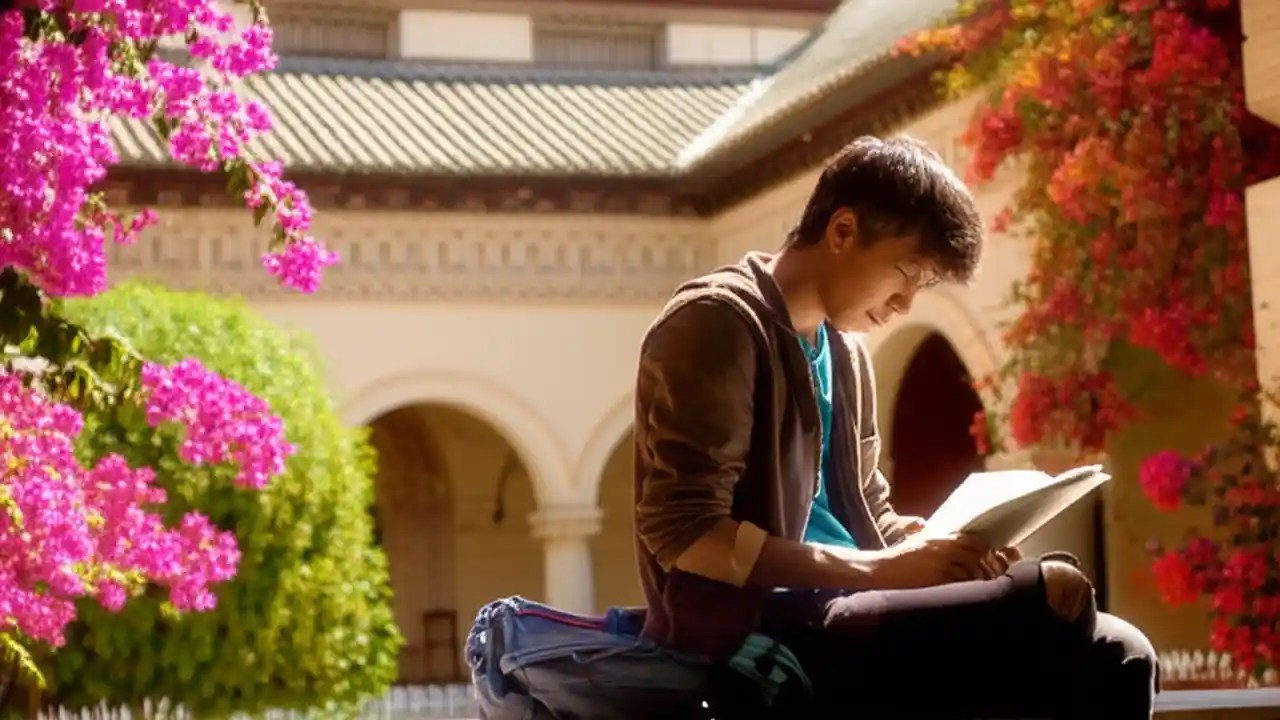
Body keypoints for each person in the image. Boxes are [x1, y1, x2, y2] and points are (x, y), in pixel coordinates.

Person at [632, 135, 1159, 718]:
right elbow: (685, 532)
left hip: (856, 605)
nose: (905, 304)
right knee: (1048, 592)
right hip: (756, 630)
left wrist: (935, 548)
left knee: (1122, 651)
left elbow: (867, 510)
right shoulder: (717, 323)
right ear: (842, 232)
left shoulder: (847, 352)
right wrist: (883, 568)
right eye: (904, 274)